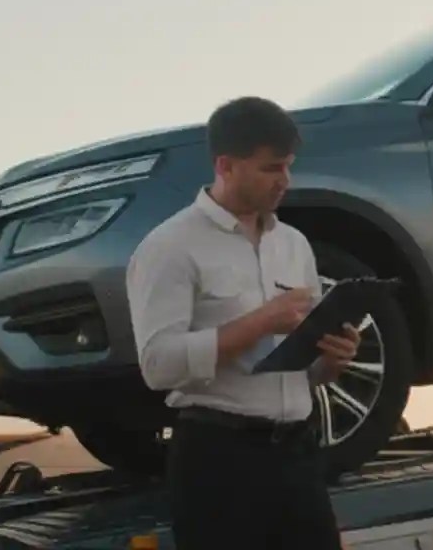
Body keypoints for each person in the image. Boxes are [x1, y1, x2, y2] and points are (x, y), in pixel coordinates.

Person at [126, 96, 359, 549]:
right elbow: (157, 366)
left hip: (297, 455)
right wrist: (260, 321)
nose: (285, 180)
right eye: (271, 168)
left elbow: (303, 373)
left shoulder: (294, 244)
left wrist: (332, 362)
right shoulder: (169, 247)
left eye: (288, 166)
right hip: (219, 459)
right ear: (226, 165)